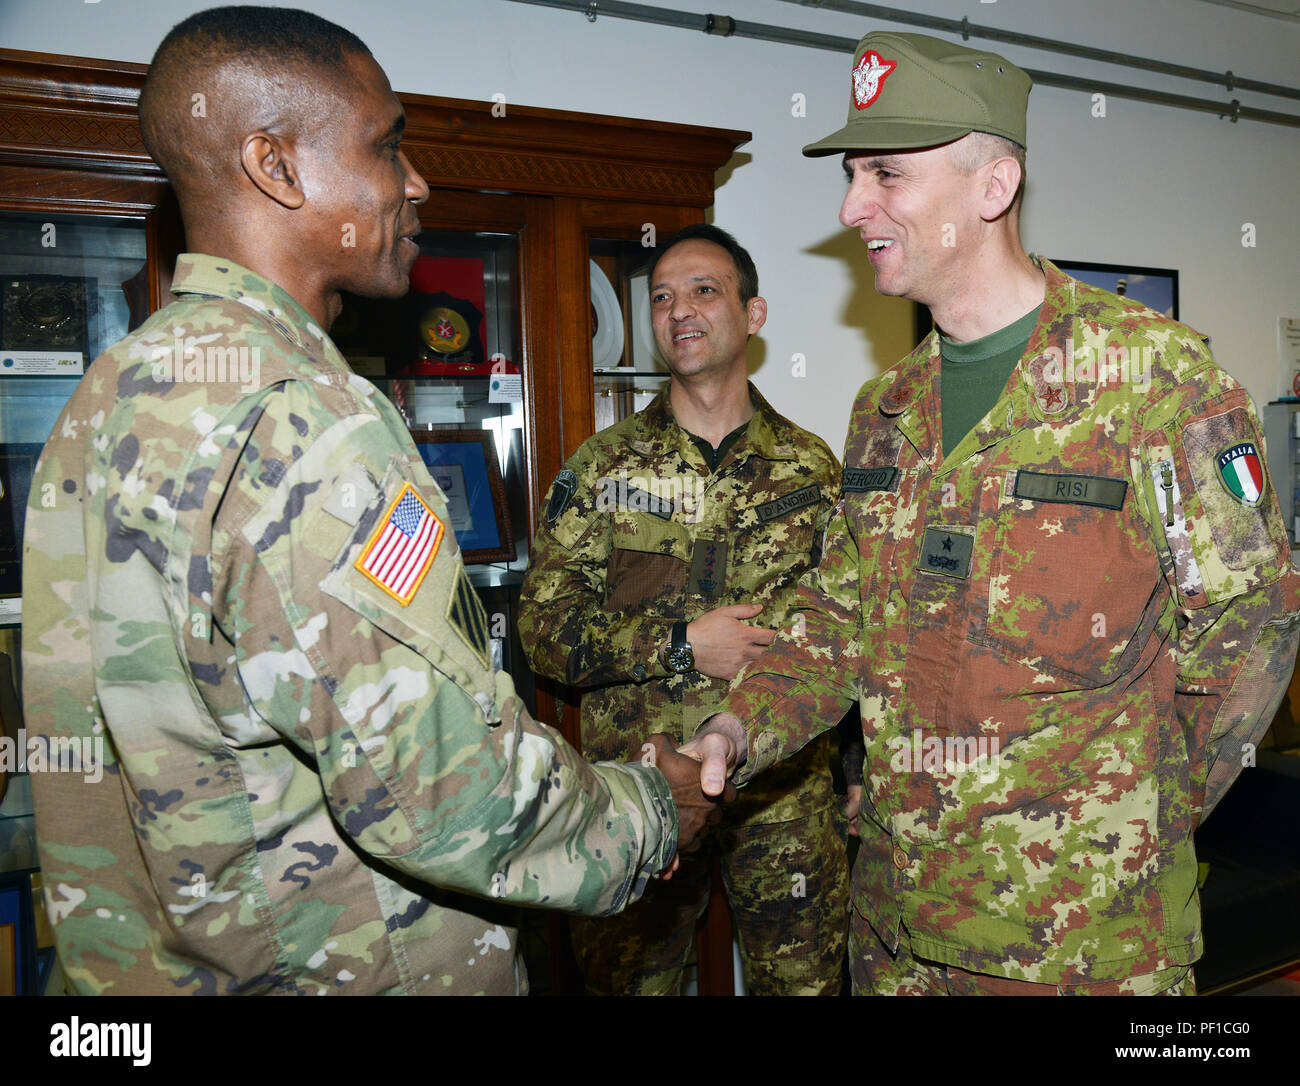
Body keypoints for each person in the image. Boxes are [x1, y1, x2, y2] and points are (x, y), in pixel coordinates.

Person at [19, 5, 725, 997]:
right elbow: (440, 791)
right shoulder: (304, 424)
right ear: (276, 166)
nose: (416, 182)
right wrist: (654, 808)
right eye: (387, 145)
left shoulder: (112, 392)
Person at [684, 30, 1300, 995]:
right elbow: (838, 618)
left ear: (992, 186)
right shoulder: (884, 412)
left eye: (886, 173)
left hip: (1074, 940)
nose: (853, 208)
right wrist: (739, 727)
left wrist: (1137, 816)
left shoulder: (1153, 379)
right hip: (896, 927)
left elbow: (1250, 622)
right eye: (852, 176)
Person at [517, 224, 849, 995]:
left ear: (753, 313)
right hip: (643, 785)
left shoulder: (814, 468)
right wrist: (681, 644)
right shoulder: (601, 469)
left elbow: (846, 630)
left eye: (704, 290)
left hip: (785, 792)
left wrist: (857, 773)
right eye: (661, 297)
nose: (679, 311)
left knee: (805, 986)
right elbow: (542, 634)